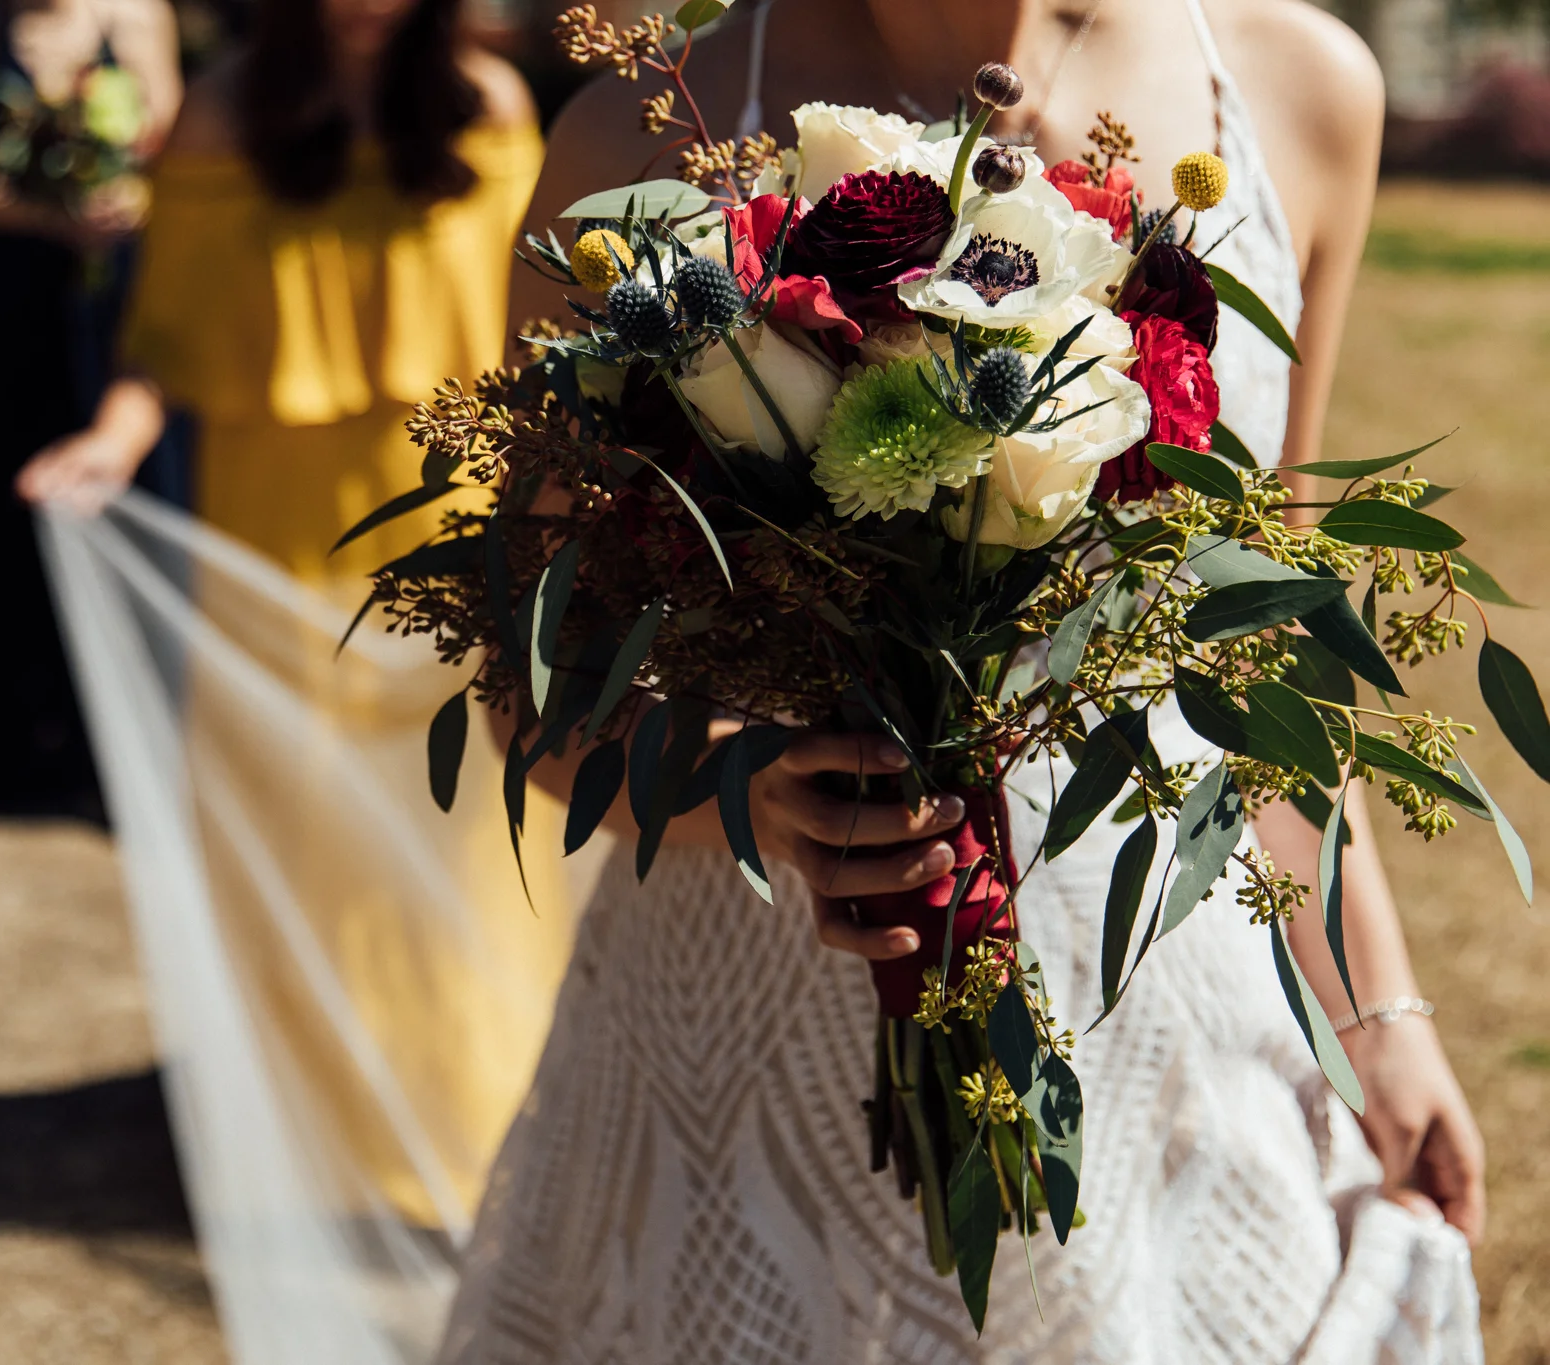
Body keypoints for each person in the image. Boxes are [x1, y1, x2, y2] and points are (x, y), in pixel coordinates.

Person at [439, 0, 1487, 1359]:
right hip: (747, 1027)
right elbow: (533, 684)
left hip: (1153, 985)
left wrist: (1378, 1010)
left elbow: (1263, 633)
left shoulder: (1303, 89)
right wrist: (745, 791)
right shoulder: (630, 134)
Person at [16, 0, 593, 1351]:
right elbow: (160, 341)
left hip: (457, 527)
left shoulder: (495, 109)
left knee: (468, 844)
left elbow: (535, 345)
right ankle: (303, 1133)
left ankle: (472, 1123)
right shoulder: (221, 113)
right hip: (278, 532)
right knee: (299, 828)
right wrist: (107, 441)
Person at [0, 0, 181, 810]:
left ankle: (117, 746)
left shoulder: (142, 18)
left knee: (124, 506)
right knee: (5, 516)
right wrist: (47, 214)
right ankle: (15, 739)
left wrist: (130, 204)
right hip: (7, 302)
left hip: (112, 305)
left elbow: (171, 153)